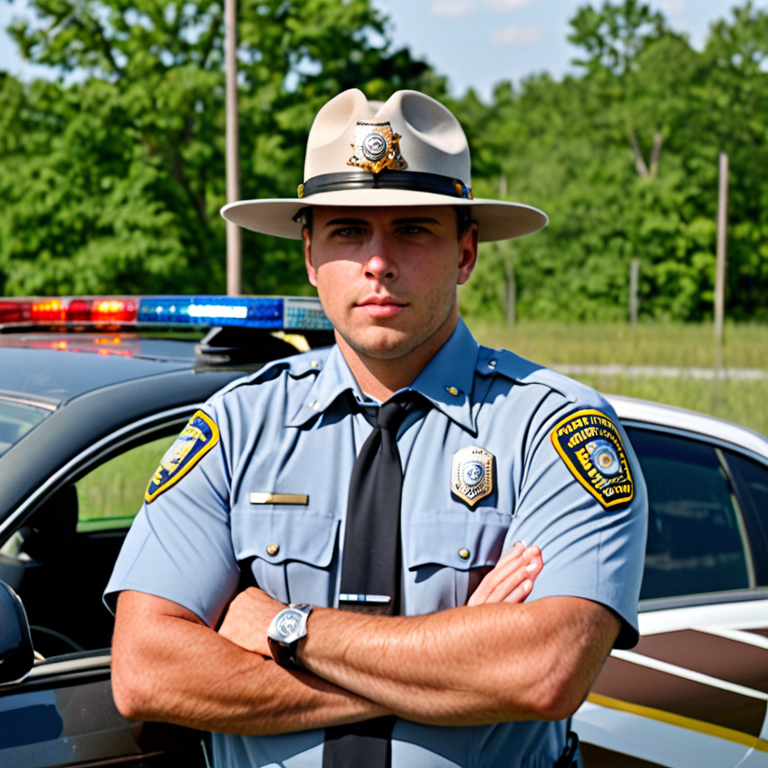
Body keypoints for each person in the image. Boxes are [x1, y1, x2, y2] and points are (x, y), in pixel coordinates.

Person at [106, 88, 647, 768]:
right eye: (347, 229)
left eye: (414, 229)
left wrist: (285, 626)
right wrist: (453, 662)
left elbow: (543, 672)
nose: (378, 261)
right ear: (309, 255)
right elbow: (146, 672)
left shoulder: (553, 429)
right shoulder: (239, 426)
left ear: (467, 252)